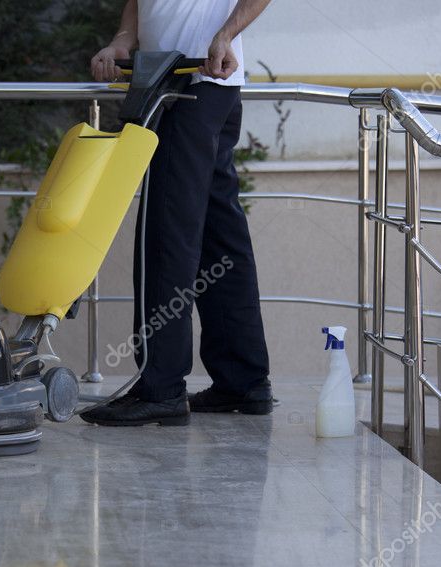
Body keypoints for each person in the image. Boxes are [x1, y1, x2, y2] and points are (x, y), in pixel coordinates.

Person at [81, 0, 274, 427]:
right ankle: (242, 380)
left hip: (192, 81)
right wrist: (123, 41)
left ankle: (161, 386)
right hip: (172, 78)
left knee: (166, 233)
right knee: (216, 233)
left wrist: (226, 35)